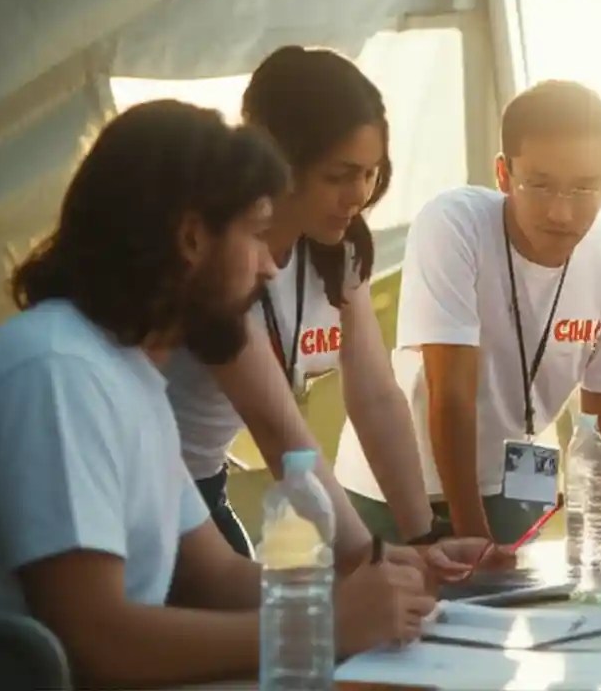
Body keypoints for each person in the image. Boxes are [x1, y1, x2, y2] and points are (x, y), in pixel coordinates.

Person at [0, 100, 496, 688]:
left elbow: (214, 576)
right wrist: (325, 625)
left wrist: (386, 584)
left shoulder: (126, 377)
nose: (267, 267)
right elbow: (96, 642)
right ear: (191, 238)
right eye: (258, 235)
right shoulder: (57, 371)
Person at [162, 46, 448, 566]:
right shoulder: (219, 253)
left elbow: (377, 398)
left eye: (371, 172)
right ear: (279, 159)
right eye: (339, 176)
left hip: (201, 489)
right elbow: (278, 432)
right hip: (151, 496)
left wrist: (423, 539)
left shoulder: (337, 247)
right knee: (274, 628)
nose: (358, 195)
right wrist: (372, 559)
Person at [336, 80, 601, 543]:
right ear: (503, 175)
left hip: (520, 480)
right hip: (403, 486)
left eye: (583, 188)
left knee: (525, 603)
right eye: (539, 185)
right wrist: (475, 538)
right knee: (416, 608)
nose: (560, 213)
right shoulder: (454, 223)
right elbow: (452, 393)